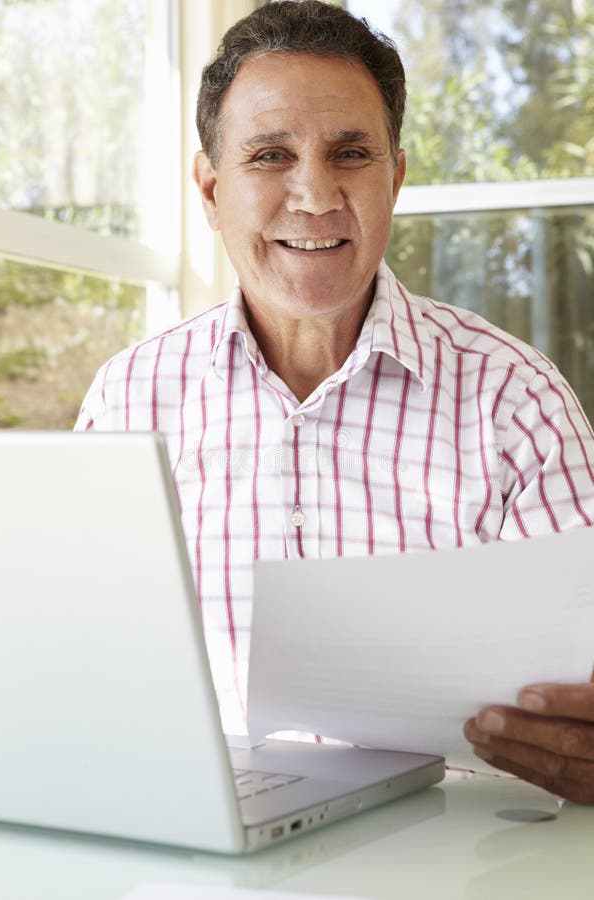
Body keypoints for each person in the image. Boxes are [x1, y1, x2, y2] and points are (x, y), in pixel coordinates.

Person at [75, 0, 594, 803]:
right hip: (198, 856)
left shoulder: (515, 402)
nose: (314, 195)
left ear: (397, 178)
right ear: (210, 191)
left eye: (351, 153)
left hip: (461, 862)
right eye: (270, 156)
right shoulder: (127, 401)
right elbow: (70, 664)